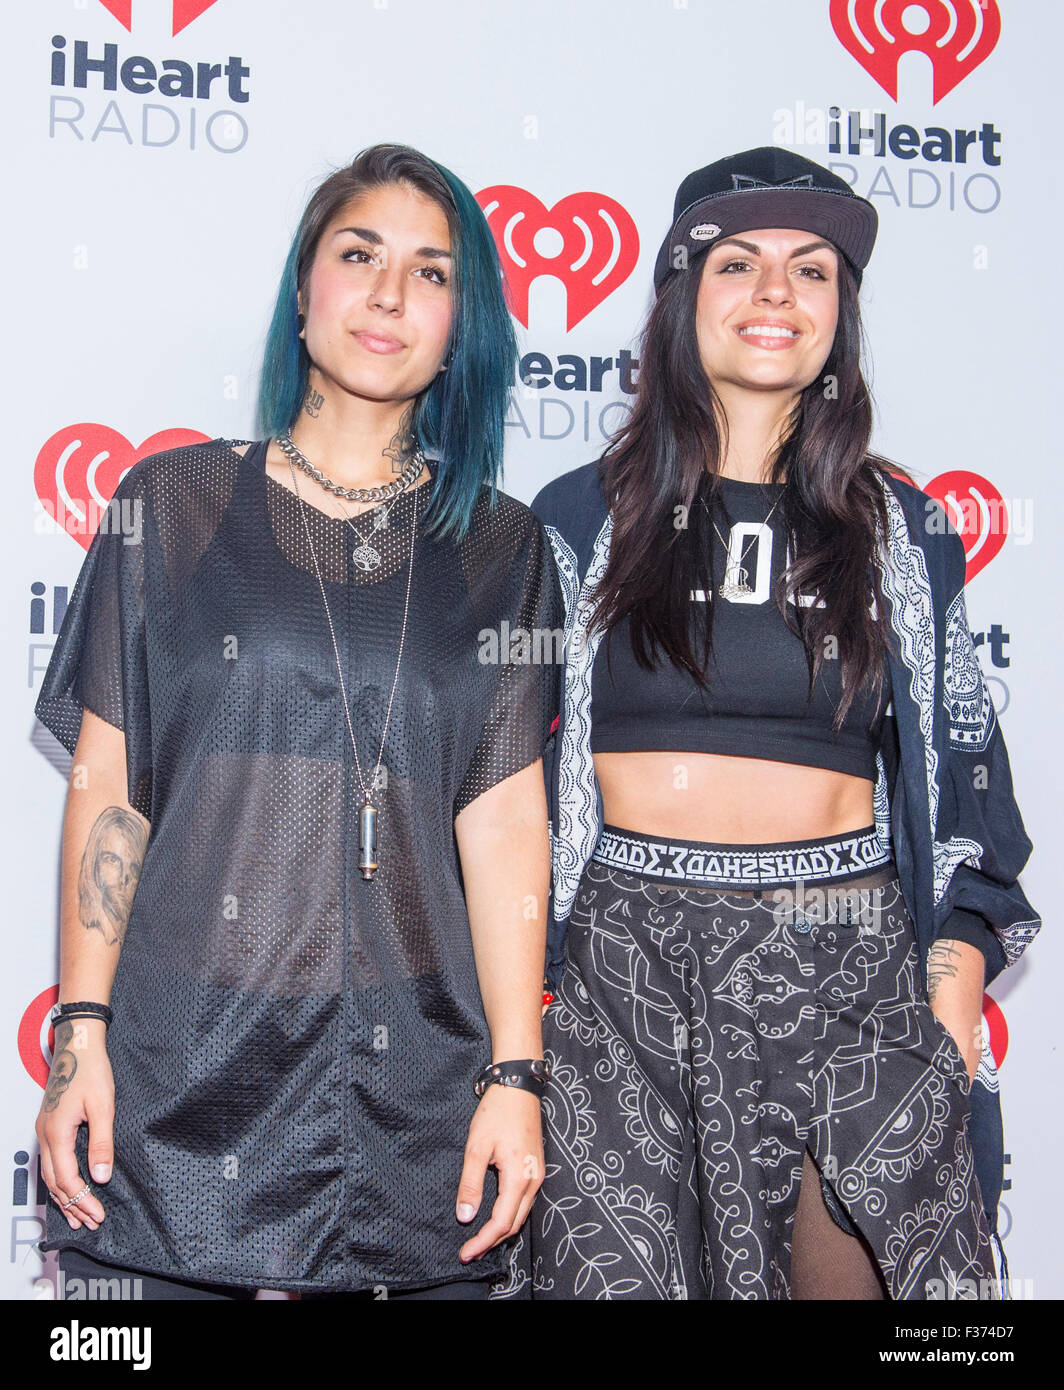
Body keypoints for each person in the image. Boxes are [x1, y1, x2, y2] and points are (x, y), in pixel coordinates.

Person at [491, 147, 1039, 1301]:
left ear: (841, 314)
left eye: (811, 269)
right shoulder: (575, 517)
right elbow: (503, 785)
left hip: (849, 963)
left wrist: (948, 984)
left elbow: (965, 774)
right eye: (735, 263)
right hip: (622, 978)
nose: (774, 293)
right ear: (680, 298)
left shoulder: (902, 527)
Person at [34, 143, 563, 1299]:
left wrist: (515, 1074)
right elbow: (111, 792)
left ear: (460, 322)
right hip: (178, 1087)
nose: (387, 294)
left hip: (419, 1099)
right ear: (301, 287)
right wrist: (79, 1031)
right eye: (358, 254)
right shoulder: (169, 505)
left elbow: (506, 822)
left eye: (431, 273)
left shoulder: (502, 548)